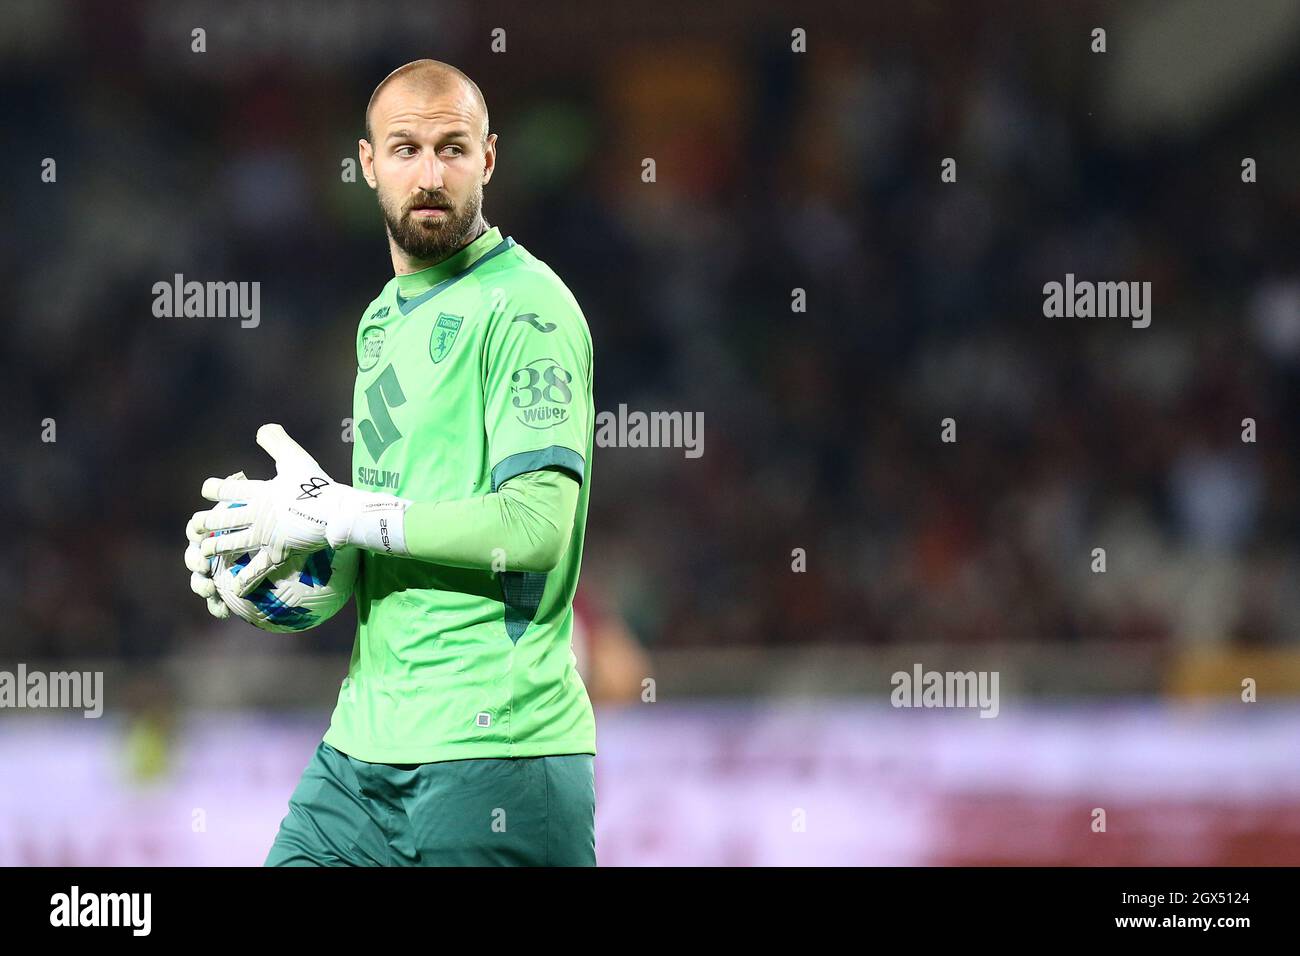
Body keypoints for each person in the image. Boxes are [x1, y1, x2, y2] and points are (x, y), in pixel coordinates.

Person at [184, 59, 597, 866]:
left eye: (453, 147)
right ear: (368, 164)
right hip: (360, 756)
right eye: (405, 149)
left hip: (496, 759)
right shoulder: (380, 320)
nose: (431, 172)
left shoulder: (530, 308)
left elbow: (536, 528)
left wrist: (340, 512)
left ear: (488, 159)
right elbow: (386, 532)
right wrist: (293, 565)